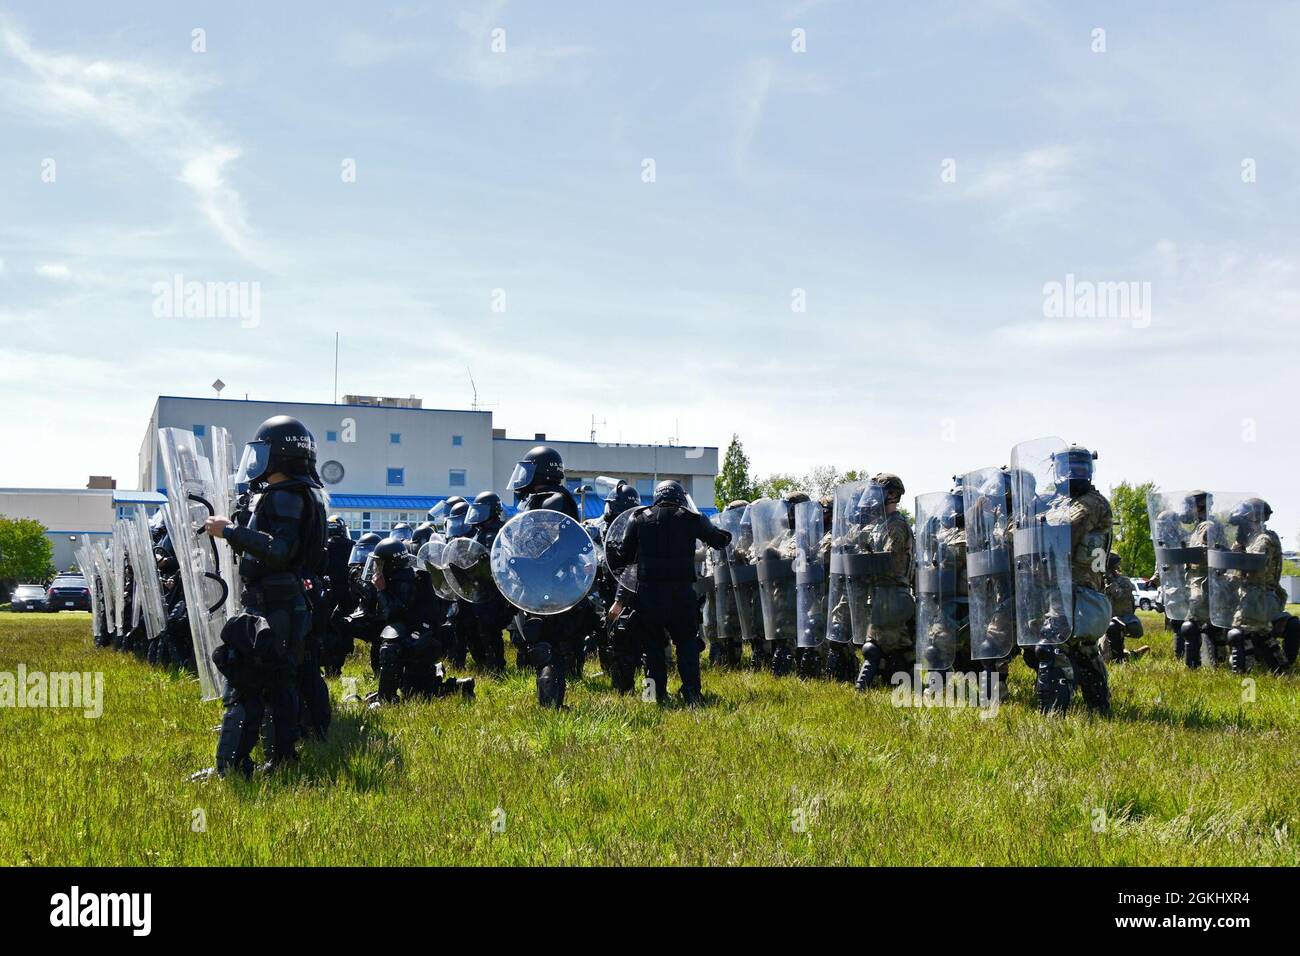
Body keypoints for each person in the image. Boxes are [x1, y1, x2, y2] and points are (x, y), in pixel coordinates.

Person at [193, 415, 328, 779]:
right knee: (280, 683)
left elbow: (280, 550)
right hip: (288, 604)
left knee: (246, 684)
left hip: (273, 605)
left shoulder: (284, 494)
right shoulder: (301, 494)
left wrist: (230, 531)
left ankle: (231, 768)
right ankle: (281, 760)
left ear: (279, 456)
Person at [612, 480, 732, 704]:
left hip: (648, 595)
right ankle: (692, 694)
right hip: (682, 594)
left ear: (657, 495)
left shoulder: (638, 518)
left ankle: (654, 695)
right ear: (680, 497)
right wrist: (725, 533)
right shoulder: (692, 518)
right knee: (687, 644)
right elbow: (719, 541)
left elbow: (624, 555)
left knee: (652, 647)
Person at [1031, 444, 1113, 715]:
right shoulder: (1056, 502)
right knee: (1083, 650)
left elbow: (1066, 530)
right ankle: (1099, 707)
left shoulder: (1093, 502)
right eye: (1068, 467)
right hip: (1056, 585)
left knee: (1053, 642)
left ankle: (1053, 714)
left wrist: (1035, 520)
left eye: (1081, 466)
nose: (1074, 473)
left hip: (1080, 587)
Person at [508, 445, 586, 707]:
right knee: (540, 645)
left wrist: (535, 566)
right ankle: (548, 704)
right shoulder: (538, 500)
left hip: (552, 583)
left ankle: (552, 706)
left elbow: (558, 547)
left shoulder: (555, 501)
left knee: (547, 646)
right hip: (538, 581)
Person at [369, 537, 475, 705]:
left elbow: (393, 613)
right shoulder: (403, 576)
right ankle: (387, 695)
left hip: (423, 641)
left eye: (380, 563)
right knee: (415, 692)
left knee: (390, 651)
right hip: (419, 637)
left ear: (391, 563)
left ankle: (385, 700)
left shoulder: (405, 582)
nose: (377, 567)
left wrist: (381, 591)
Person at [854, 474, 916, 691]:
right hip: (882, 595)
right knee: (882, 649)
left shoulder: (896, 526)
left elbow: (889, 561)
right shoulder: (881, 525)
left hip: (894, 594)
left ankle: (865, 691)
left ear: (892, 495)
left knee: (879, 649)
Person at [1221, 497, 1289, 673]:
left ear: (1253, 516)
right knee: (1261, 635)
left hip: (1260, 597)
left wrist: (1231, 568)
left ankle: (1244, 673)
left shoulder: (1263, 540)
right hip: (1251, 596)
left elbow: (1254, 569)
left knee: (1238, 634)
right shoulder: (1248, 540)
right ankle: (1279, 668)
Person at [466, 491, 511, 675]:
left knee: (490, 630)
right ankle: (486, 664)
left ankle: (496, 667)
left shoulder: (498, 533)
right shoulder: (480, 532)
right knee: (480, 630)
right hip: (480, 588)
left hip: (494, 589)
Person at [321, 515, 355, 676]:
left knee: (324, 627)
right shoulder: (351, 546)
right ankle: (336, 667)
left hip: (325, 593)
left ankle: (328, 666)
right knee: (343, 628)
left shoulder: (322, 547)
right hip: (347, 593)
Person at [1102, 553, 1149, 663]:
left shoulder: (1123, 582)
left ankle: (1126, 656)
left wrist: (1110, 583)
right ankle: (1128, 654)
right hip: (1096, 625)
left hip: (1113, 625)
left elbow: (1123, 603)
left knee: (1107, 657)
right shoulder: (1094, 581)